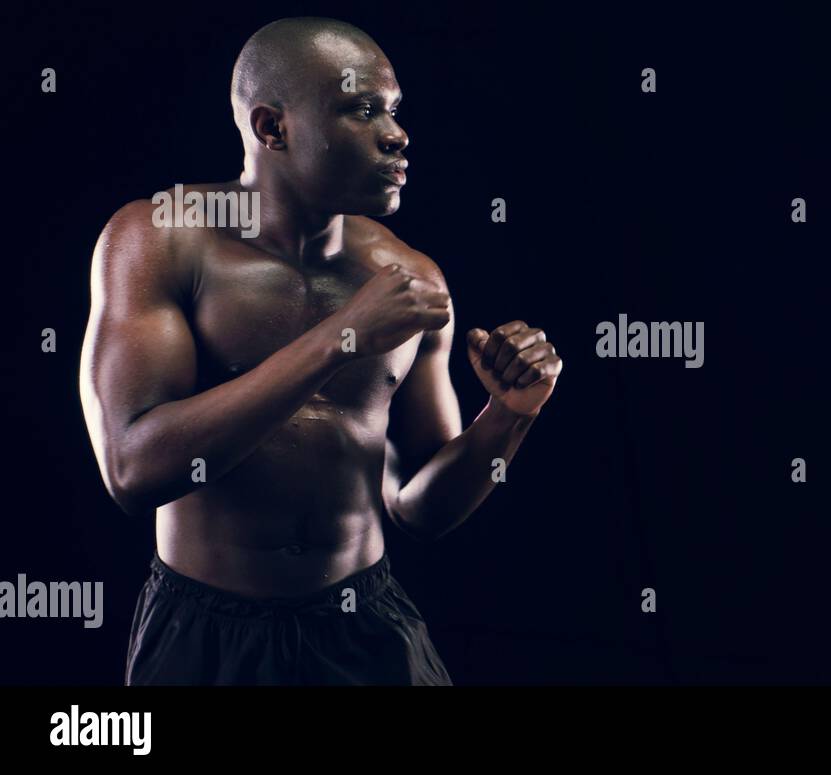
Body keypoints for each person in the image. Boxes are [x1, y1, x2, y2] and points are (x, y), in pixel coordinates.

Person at [77, 17, 562, 685]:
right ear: (273, 128)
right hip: (206, 635)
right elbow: (133, 471)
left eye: (393, 111)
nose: (396, 134)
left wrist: (507, 418)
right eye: (361, 110)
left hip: (366, 626)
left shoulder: (410, 278)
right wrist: (341, 339)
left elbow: (420, 505)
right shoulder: (163, 240)